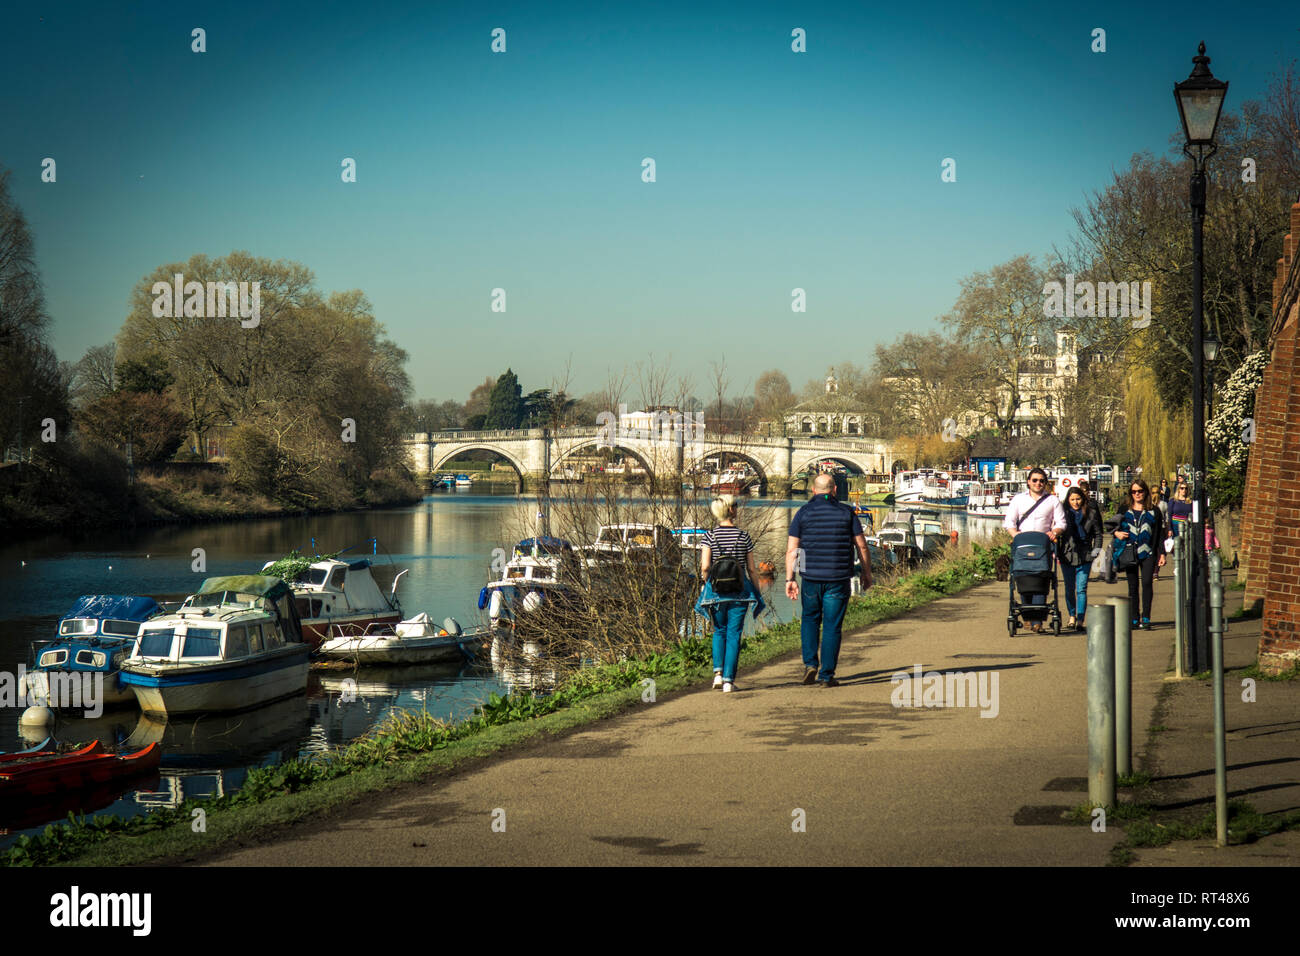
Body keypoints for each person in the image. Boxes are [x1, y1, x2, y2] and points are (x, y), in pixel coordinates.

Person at [785, 473, 872, 687]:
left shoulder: (803, 513)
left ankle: (810, 664)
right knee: (832, 626)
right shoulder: (846, 512)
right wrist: (867, 572)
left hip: (810, 577)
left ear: (813, 490)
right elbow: (861, 545)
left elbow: (792, 549)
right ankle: (826, 675)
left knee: (810, 619)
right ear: (834, 490)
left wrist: (790, 578)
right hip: (838, 576)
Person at [696, 495, 763, 693]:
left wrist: (706, 583)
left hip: (717, 592)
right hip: (739, 593)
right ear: (731, 510)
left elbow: (705, 566)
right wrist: (757, 591)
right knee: (734, 635)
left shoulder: (709, 536)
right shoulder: (744, 537)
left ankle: (717, 674)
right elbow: (751, 569)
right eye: (736, 505)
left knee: (719, 631)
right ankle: (728, 680)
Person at [1003, 467, 1067, 632]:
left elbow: (1061, 523)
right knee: (1024, 578)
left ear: (1046, 483)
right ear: (1028, 482)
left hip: (1043, 546)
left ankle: (1037, 620)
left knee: (1041, 578)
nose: (1038, 483)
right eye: (1035, 480)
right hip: (1023, 545)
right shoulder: (1018, 500)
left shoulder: (1052, 501)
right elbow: (1009, 522)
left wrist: (1054, 532)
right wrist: (1016, 536)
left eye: (1041, 481)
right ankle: (1027, 617)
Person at [1114, 478, 1165, 629]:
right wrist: (1117, 533)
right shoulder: (1124, 509)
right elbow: (1113, 526)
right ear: (1131, 493)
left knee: (1147, 583)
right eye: (1134, 491)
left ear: (1145, 492)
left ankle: (1146, 617)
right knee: (1132, 585)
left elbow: (1160, 534)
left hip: (1148, 552)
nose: (1137, 494)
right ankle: (1134, 617)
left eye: (1140, 491)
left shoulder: (1154, 511)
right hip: (1129, 551)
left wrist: (1162, 553)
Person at [1059, 486, 1101, 631]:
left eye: (1078, 499)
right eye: (1072, 499)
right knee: (1069, 588)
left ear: (1083, 499)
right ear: (1068, 500)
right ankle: (1072, 615)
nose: (1075, 502)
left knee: (1081, 589)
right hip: (1067, 554)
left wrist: (1096, 551)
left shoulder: (1091, 513)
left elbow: (1098, 534)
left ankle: (1080, 619)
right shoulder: (1063, 514)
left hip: (1085, 554)